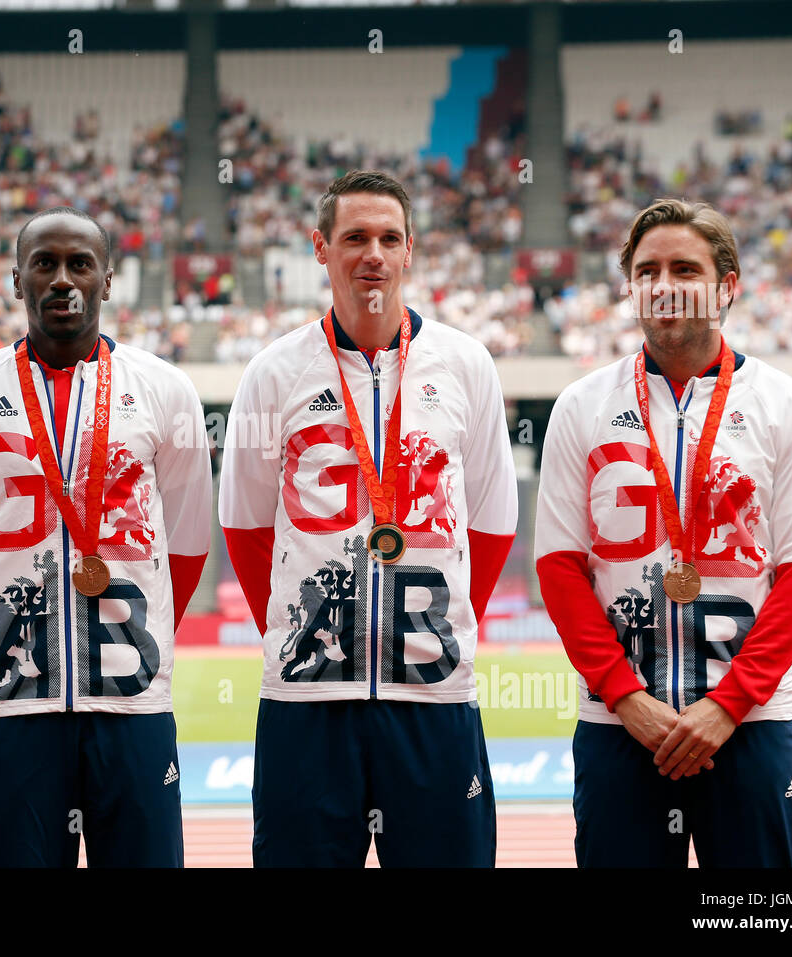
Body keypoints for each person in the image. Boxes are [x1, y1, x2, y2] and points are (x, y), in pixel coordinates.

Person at [219, 170, 517, 867]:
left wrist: (430, 625)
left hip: (433, 691)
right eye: (354, 237)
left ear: (410, 250)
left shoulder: (467, 365)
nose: (372, 253)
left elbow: (495, 525)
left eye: (389, 237)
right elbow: (245, 527)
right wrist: (315, 626)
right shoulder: (273, 371)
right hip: (308, 697)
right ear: (320, 248)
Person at [534, 198, 792, 867]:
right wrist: (627, 699)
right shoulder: (581, 406)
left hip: (751, 728)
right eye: (647, 270)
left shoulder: (786, 405)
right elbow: (558, 567)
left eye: (684, 269)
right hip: (619, 730)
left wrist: (727, 706)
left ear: (726, 286)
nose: (664, 285)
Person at [0, 206, 212, 867]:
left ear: (107, 280)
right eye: (44, 264)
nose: (62, 279)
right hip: (14, 704)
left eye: (80, 263)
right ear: (15, 278)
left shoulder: (167, 391)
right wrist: (7, 644)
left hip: (132, 702)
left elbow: (190, 544)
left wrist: (138, 637)